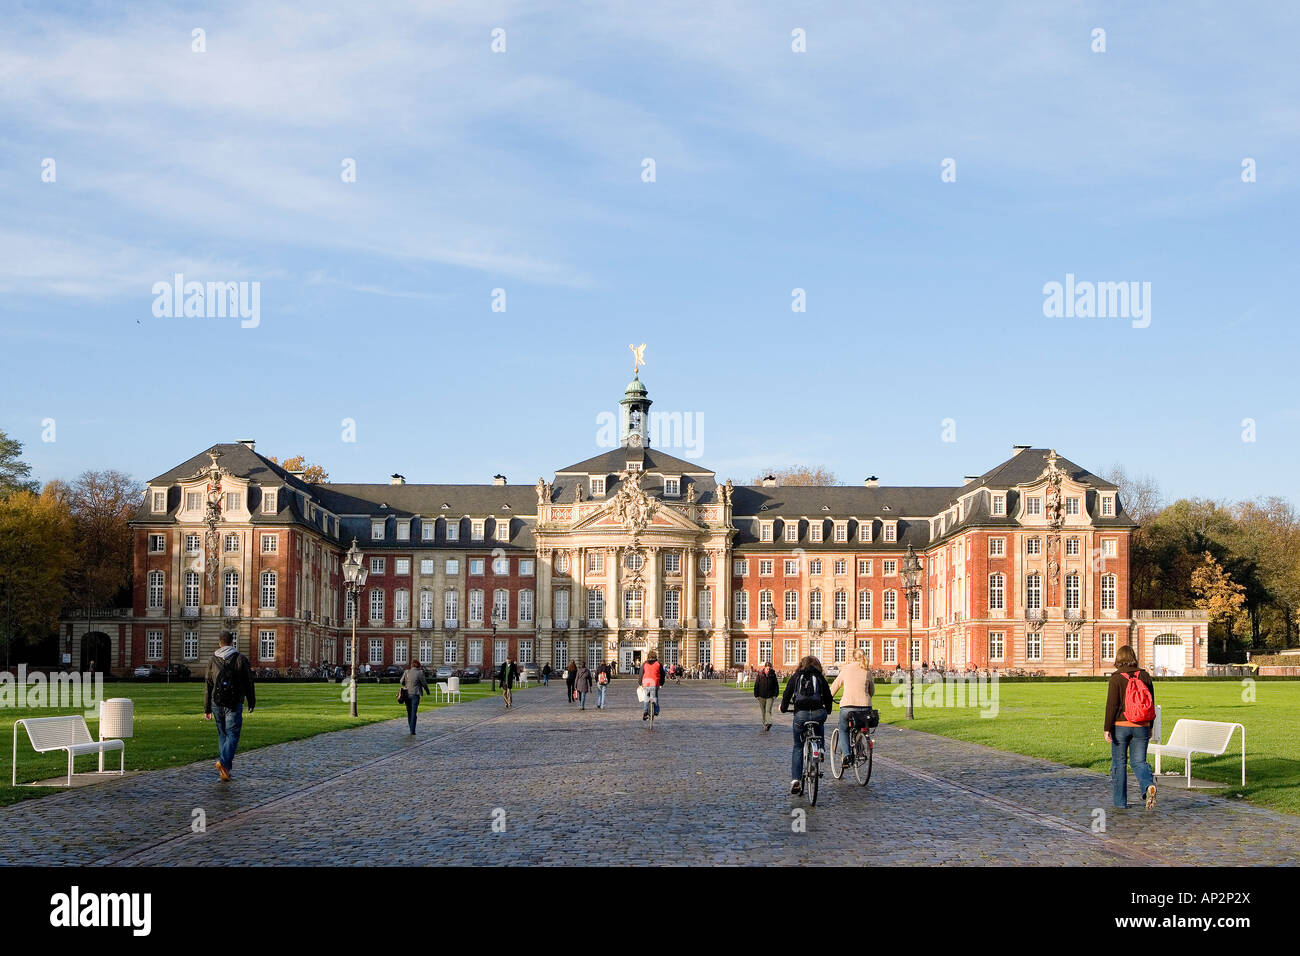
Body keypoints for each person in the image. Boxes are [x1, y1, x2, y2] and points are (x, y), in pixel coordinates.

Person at [1105, 644, 1157, 810]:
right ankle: (1148, 785)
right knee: (1139, 762)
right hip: (1142, 725)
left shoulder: (1116, 678)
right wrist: (1150, 726)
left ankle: (1120, 803)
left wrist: (1107, 728)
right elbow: (1151, 704)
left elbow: (1111, 706)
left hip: (1121, 726)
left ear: (1118, 658)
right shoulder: (1145, 676)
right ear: (1134, 657)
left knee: (1119, 763)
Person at [203, 631, 256, 781]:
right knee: (233, 734)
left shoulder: (212, 660)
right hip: (234, 702)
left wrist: (206, 708)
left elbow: (208, 685)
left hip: (216, 702)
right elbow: (248, 683)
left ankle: (225, 770)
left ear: (219, 643)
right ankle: (224, 763)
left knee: (222, 735)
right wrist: (251, 701)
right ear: (233, 643)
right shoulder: (240, 658)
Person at [780, 655, 834, 795]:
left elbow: (787, 694)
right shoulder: (819, 676)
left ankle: (796, 780)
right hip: (818, 712)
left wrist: (784, 708)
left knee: (798, 746)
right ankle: (820, 749)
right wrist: (827, 710)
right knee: (819, 724)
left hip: (801, 715)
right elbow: (828, 696)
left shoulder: (797, 676)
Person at [829, 648, 875, 762]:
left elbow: (835, 687)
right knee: (861, 726)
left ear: (853, 658)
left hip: (847, 706)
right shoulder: (867, 670)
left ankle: (847, 755)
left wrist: (827, 699)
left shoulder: (846, 669)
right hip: (865, 707)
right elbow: (872, 691)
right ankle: (859, 747)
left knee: (843, 729)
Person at [400, 658, 430, 734]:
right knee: (414, 713)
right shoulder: (420, 673)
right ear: (418, 666)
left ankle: (411, 728)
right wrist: (427, 691)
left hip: (406, 694)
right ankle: (412, 730)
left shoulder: (407, 671)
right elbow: (424, 683)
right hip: (415, 694)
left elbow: (401, 681)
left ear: (411, 665)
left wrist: (406, 685)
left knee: (409, 712)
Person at [753, 661, 780, 732]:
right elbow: (756, 685)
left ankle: (769, 723)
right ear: (764, 668)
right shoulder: (760, 674)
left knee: (768, 710)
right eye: (767, 668)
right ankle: (765, 724)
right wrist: (756, 695)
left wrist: (775, 694)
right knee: (763, 711)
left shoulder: (773, 675)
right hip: (761, 696)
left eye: (769, 668)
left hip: (770, 696)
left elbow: (776, 685)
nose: (768, 670)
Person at [640, 649, 665, 721]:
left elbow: (641, 674)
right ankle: (656, 711)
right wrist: (661, 683)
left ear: (648, 656)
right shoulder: (658, 664)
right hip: (654, 682)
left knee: (646, 697)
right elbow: (663, 675)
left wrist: (640, 683)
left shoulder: (644, 664)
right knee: (654, 697)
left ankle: (645, 712)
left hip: (646, 683)